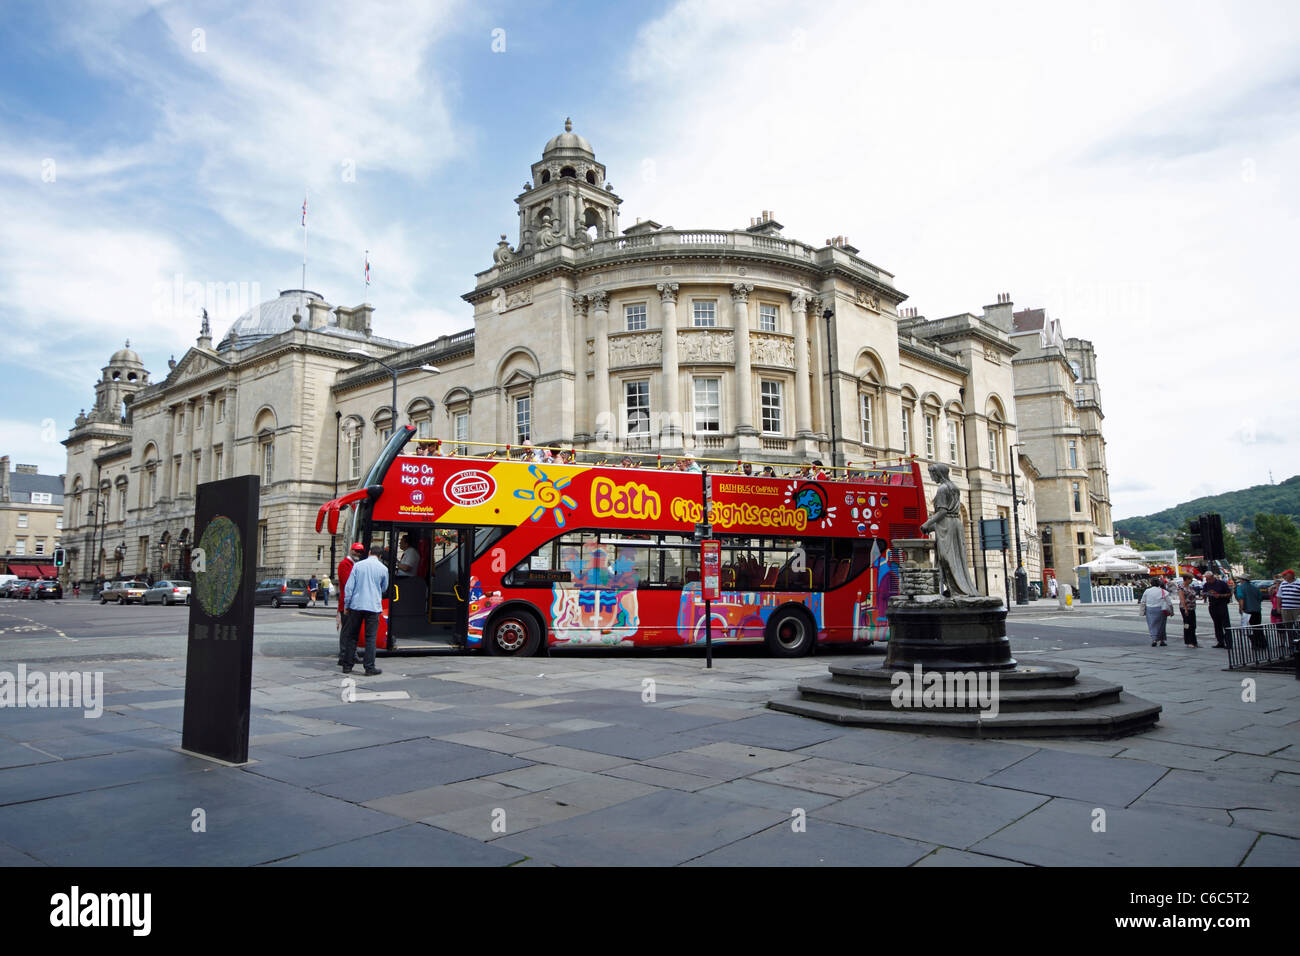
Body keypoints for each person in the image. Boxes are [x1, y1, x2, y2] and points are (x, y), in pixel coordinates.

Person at [339, 544, 388, 676]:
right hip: (373, 606)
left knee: (352, 636)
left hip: (356, 605)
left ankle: (347, 666)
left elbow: (349, 587)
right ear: (380, 556)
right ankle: (369, 667)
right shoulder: (383, 568)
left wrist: (347, 605)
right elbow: (384, 588)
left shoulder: (358, 566)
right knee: (370, 638)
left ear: (369, 552)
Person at [1201, 571, 1233, 648]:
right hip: (1212, 605)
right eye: (1206, 579)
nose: (1208, 580)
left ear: (1213, 577)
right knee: (1217, 624)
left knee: (1225, 624)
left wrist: (1220, 595)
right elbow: (1204, 593)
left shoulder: (1221, 583)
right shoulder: (1206, 584)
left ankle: (1229, 643)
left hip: (1221, 605)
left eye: (1209, 578)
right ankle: (1220, 641)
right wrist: (1206, 594)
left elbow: (1229, 594)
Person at [1138, 577, 1172, 646]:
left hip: (1150, 609)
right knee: (1162, 625)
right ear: (1159, 583)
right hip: (1161, 609)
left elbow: (1143, 601)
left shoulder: (1147, 591)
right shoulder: (1163, 591)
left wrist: (1142, 611)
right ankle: (1162, 640)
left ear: (1151, 583)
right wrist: (1171, 611)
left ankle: (1154, 640)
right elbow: (1169, 602)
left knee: (1152, 625)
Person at [1175, 572, 1199, 647]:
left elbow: (1192, 595)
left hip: (1192, 607)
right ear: (1186, 579)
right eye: (1190, 579)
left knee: (1193, 625)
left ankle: (1194, 641)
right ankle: (1188, 641)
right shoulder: (1181, 587)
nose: (1191, 581)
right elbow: (1182, 599)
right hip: (1186, 608)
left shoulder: (1190, 587)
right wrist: (1185, 609)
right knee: (1187, 624)